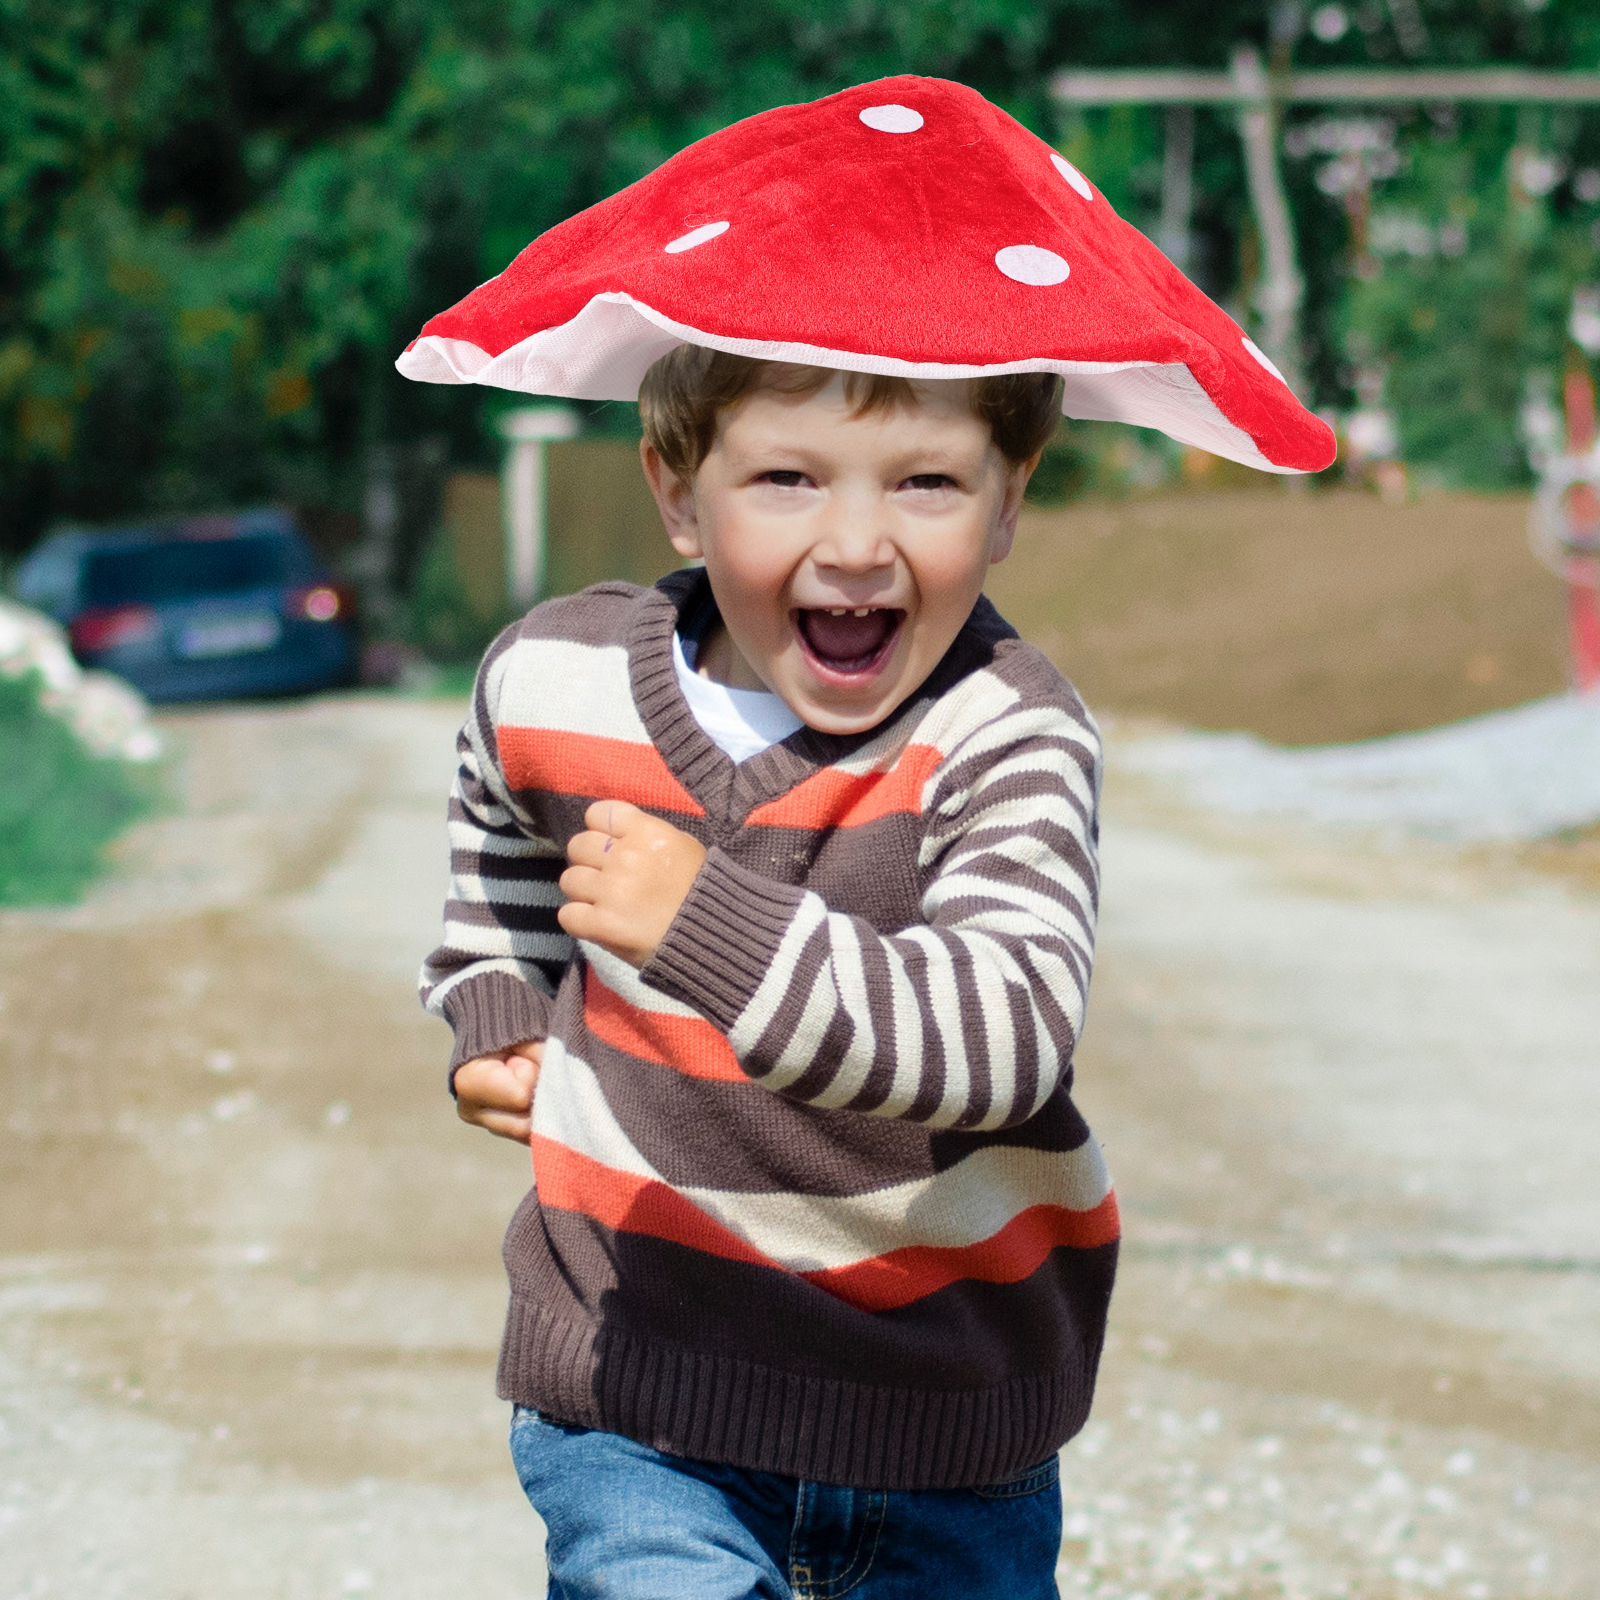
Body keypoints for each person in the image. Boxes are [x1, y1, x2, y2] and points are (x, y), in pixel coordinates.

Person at [405, 74, 1331, 1600]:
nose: (855, 544)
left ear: (1010, 500)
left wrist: (702, 921)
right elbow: (498, 834)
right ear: (679, 492)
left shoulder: (1007, 737)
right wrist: (497, 1009)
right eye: (785, 479)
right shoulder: (555, 678)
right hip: (644, 1384)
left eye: (926, 483)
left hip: (941, 1414)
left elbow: (1003, 1038)